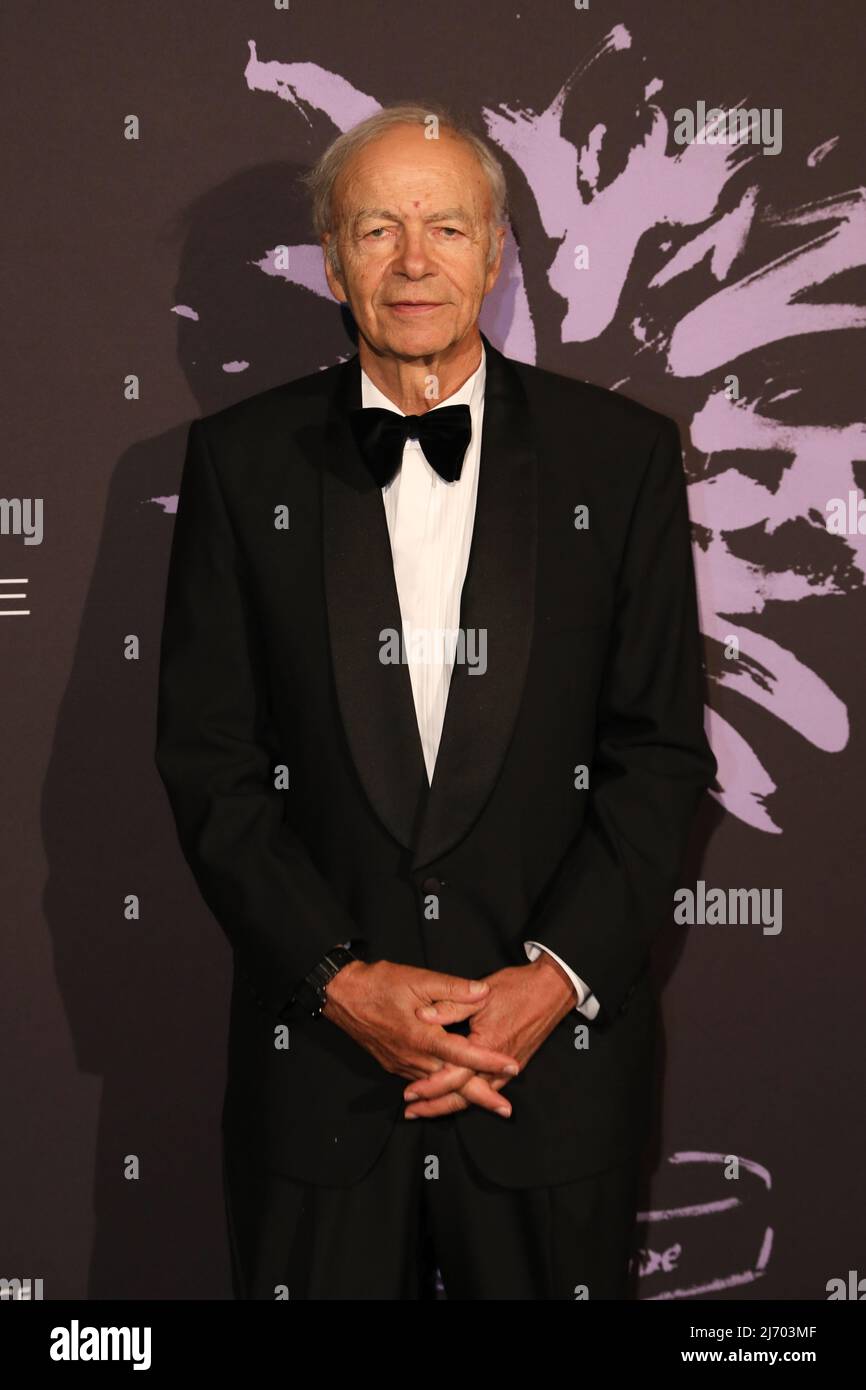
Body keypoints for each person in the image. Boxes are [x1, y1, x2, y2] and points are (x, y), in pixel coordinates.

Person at [154, 101, 717, 1300]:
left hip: (547, 1081)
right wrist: (341, 983)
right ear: (331, 260)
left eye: (446, 227)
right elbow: (210, 762)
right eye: (377, 230)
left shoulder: (617, 458)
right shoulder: (238, 464)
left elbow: (659, 754)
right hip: (321, 1080)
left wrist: (546, 984)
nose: (413, 262)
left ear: (494, 253)